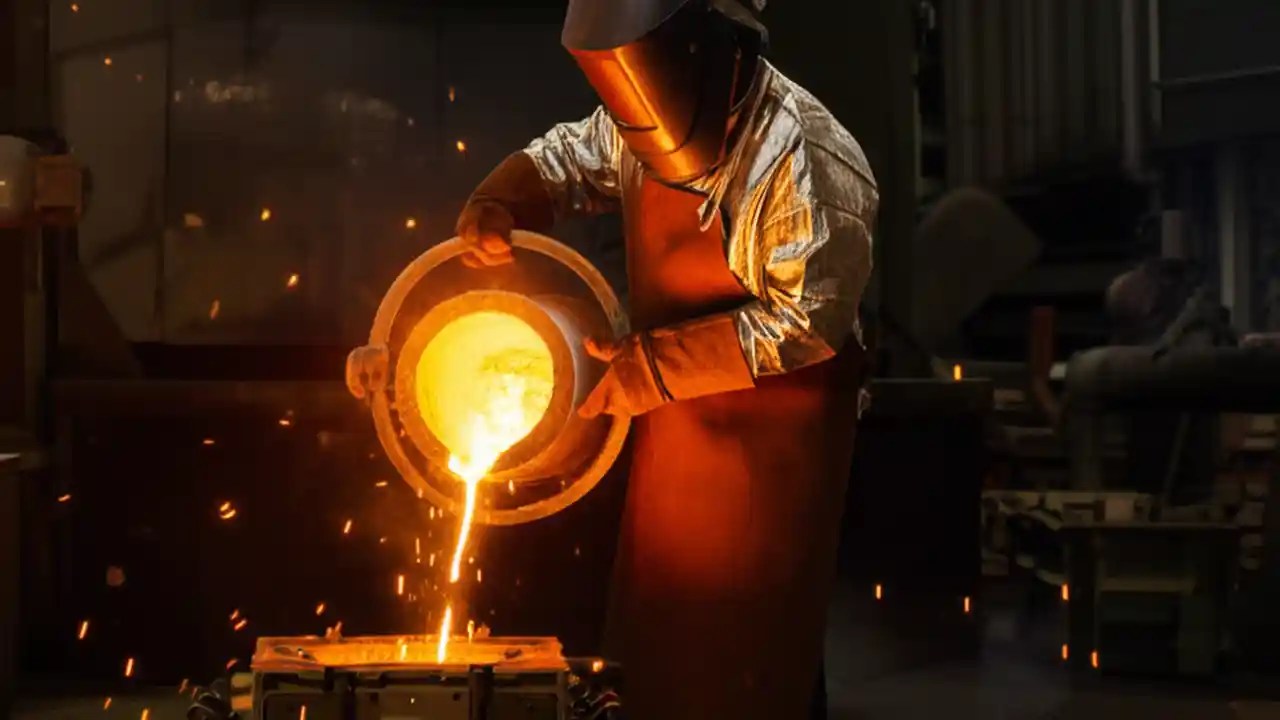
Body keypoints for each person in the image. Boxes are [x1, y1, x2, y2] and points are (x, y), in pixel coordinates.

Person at [454, 1, 878, 717]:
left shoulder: (806, 153)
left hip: (778, 450)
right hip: (676, 432)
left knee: (760, 654)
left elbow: (806, 323)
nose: (641, 133)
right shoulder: (637, 122)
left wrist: (650, 368)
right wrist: (503, 196)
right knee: (660, 645)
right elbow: (570, 158)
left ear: (718, 53)